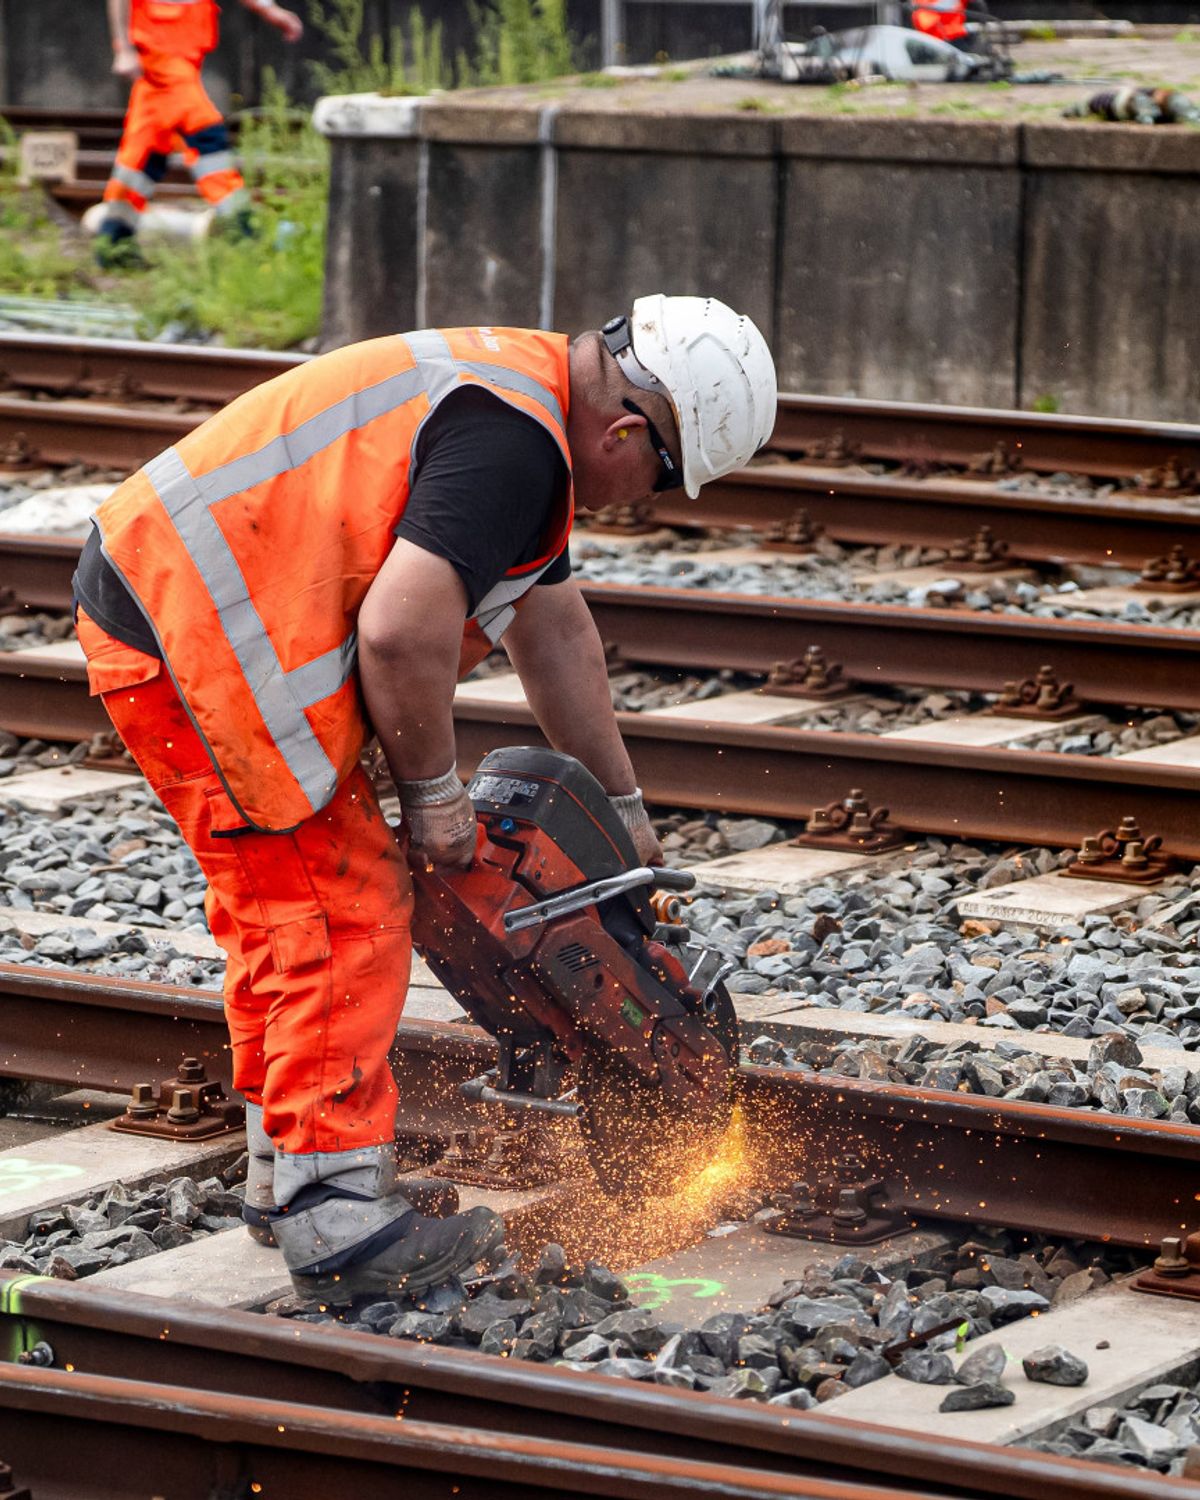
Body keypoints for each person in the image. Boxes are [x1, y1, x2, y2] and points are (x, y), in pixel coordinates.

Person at [72, 296, 778, 1301]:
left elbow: (553, 628)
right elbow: (402, 632)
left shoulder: (522, 399)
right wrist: (435, 795)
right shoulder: (514, 448)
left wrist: (624, 814)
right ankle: (342, 1223)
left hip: (164, 610)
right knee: (344, 907)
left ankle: (289, 1178)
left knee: (282, 907)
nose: (648, 500)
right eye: (664, 477)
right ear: (627, 432)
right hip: (198, 634)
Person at [98, 0, 303, 260]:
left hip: (180, 58)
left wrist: (270, 10)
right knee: (208, 139)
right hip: (161, 59)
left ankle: (112, 241)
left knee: (140, 159)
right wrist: (124, 48)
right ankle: (245, 234)